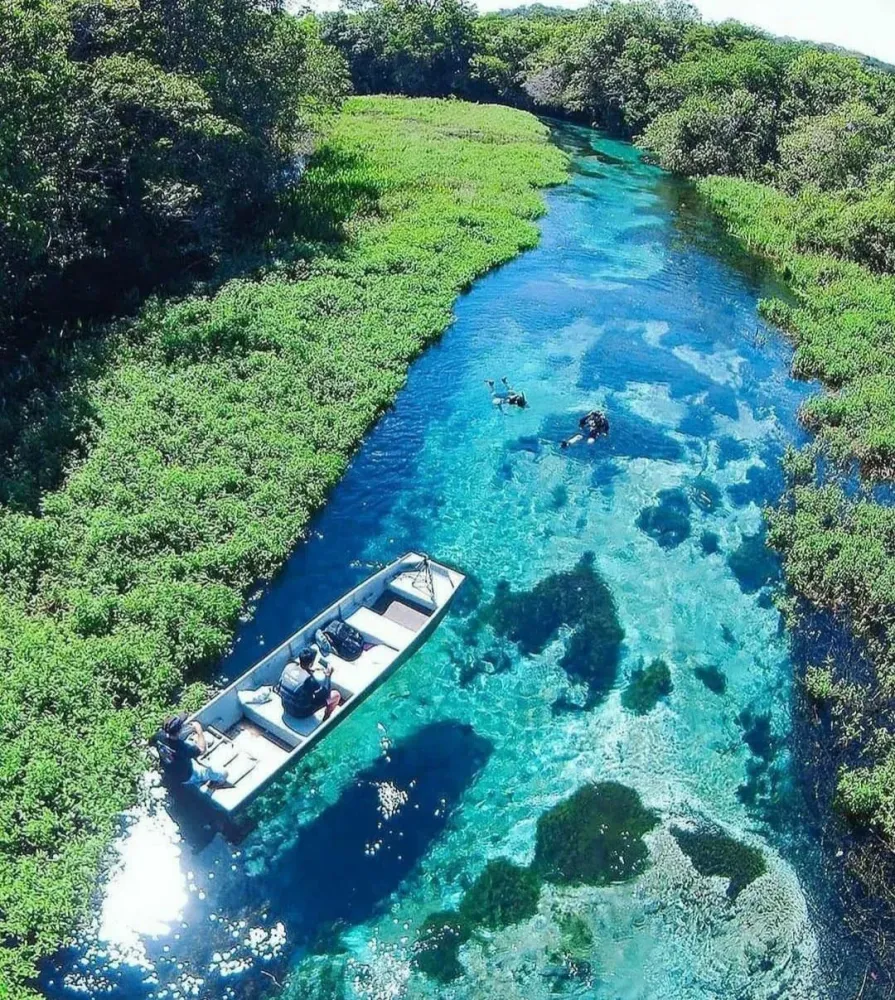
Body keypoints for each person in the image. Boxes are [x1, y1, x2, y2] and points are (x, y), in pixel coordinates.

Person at [157, 714, 229, 787]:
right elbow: (202, 750)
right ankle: (217, 782)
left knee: (190, 744)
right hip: (186, 777)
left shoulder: (158, 736)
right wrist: (199, 731)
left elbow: (152, 743)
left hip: (170, 769)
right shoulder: (182, 748)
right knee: (224, 773)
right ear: (179, 731)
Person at [278, 647, 342, 720]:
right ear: (311, 663)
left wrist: (309, 671)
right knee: (335, 695)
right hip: (300, 713)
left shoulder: (289, 667)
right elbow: (325, 694)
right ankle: (326, 717)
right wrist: (328, 675)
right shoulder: (309, 681)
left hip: (286, 706)